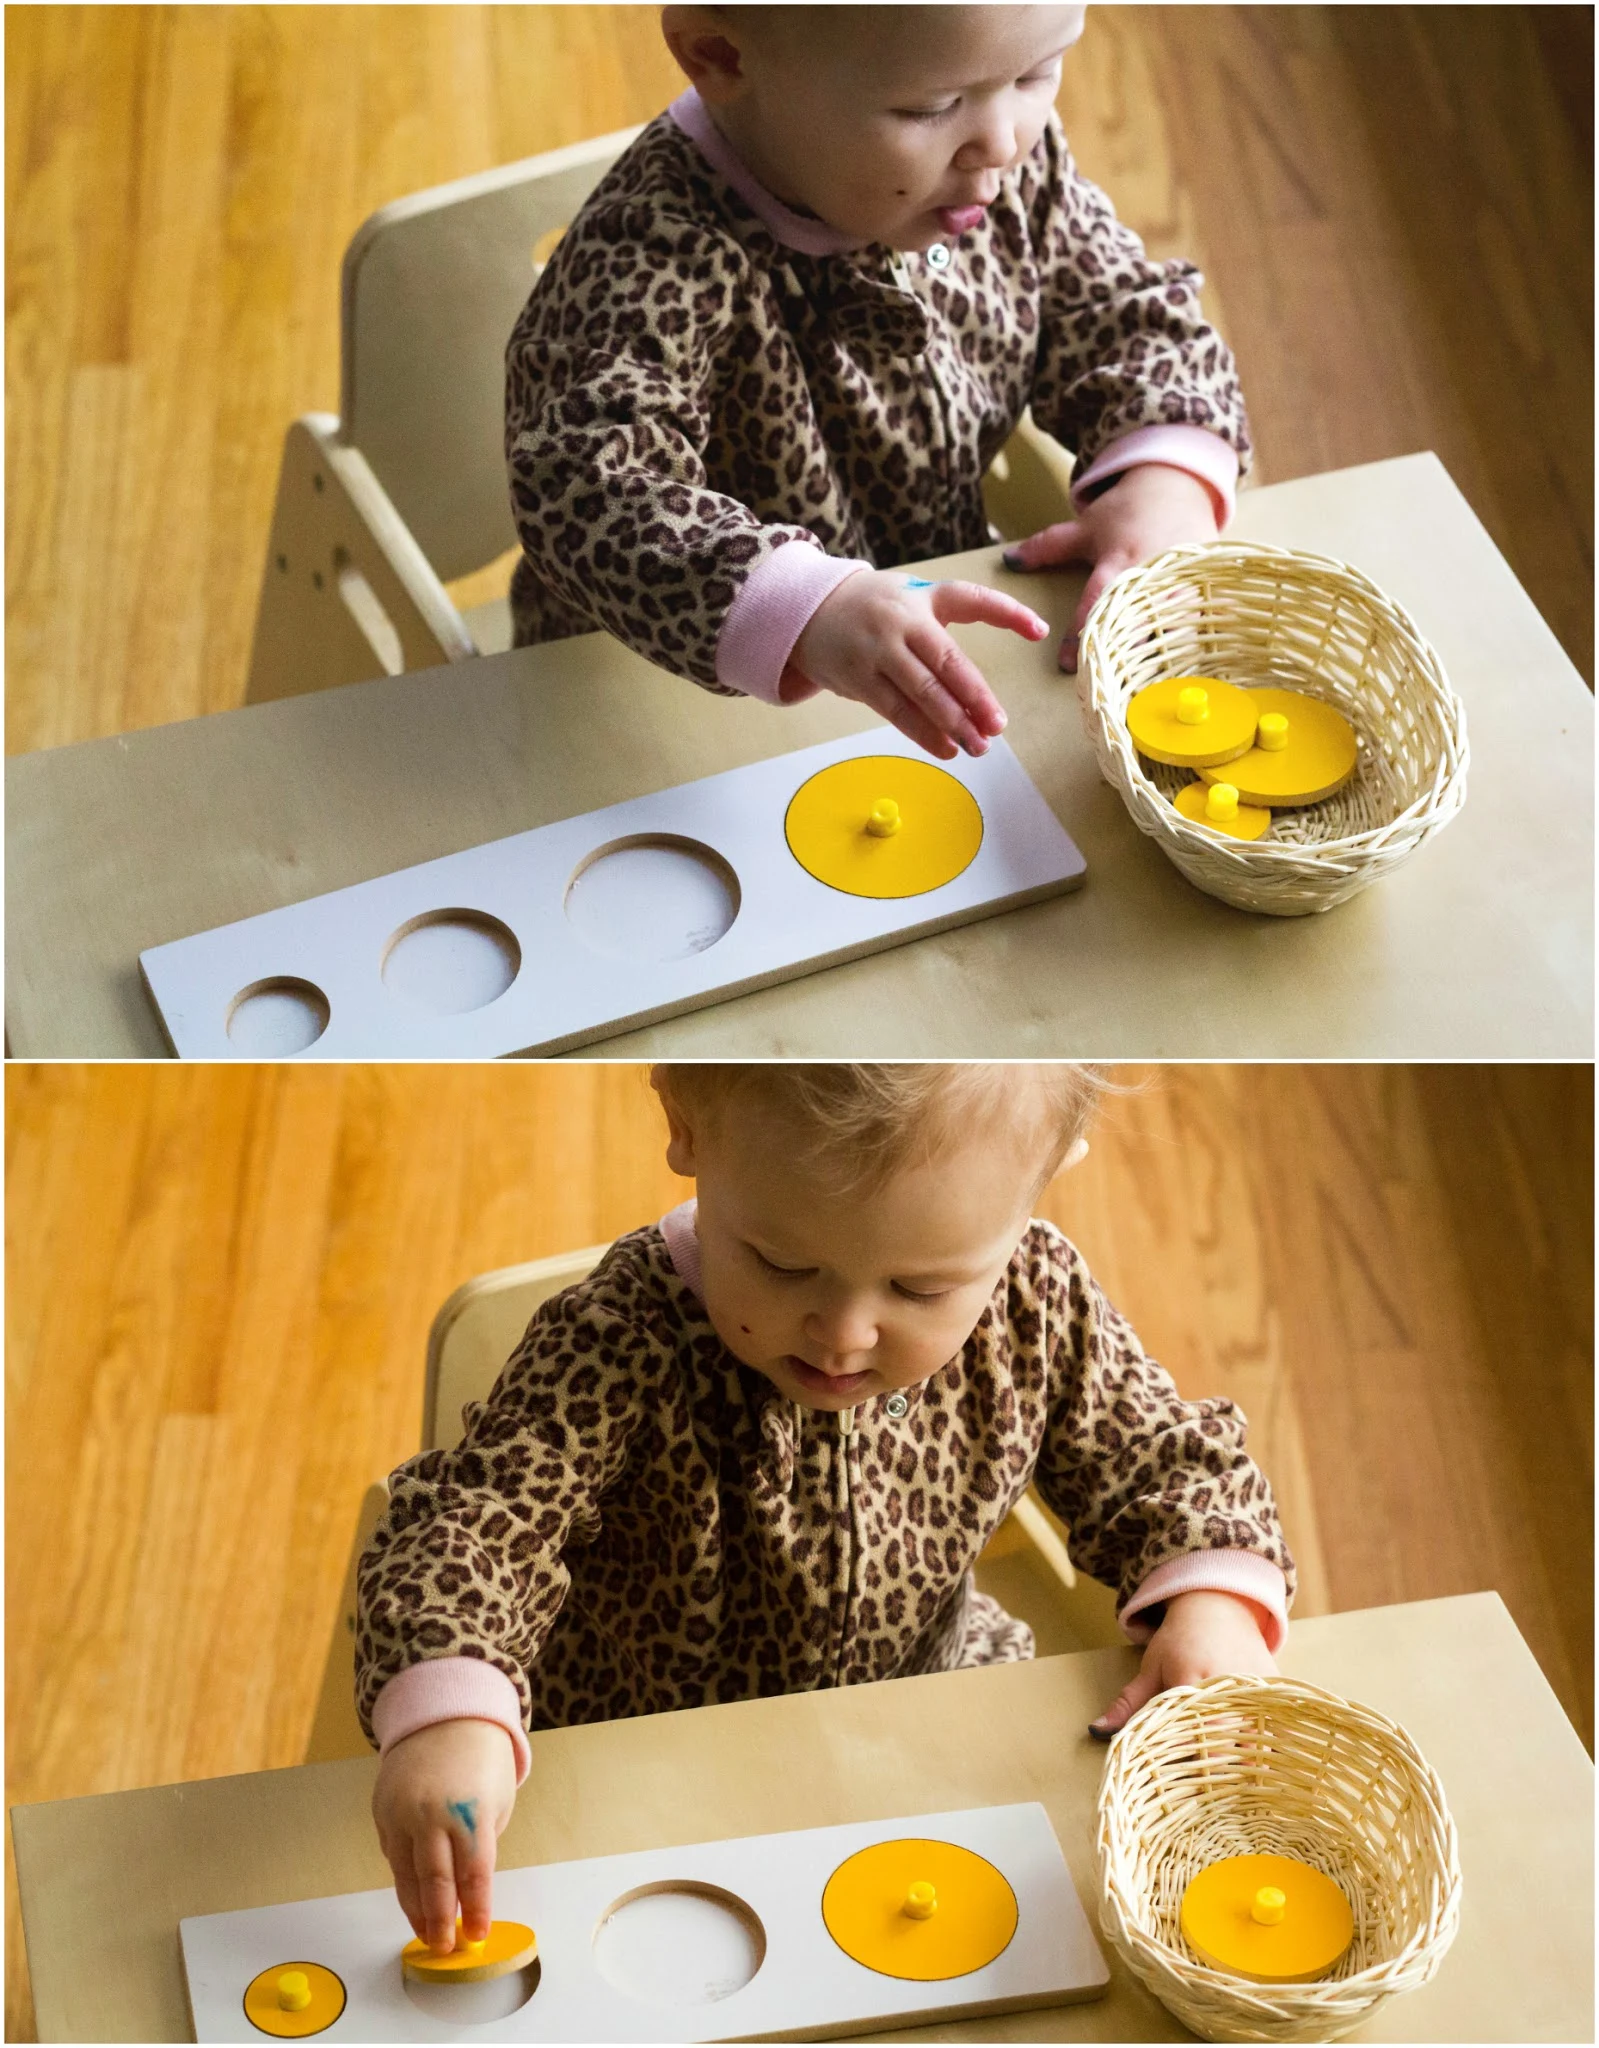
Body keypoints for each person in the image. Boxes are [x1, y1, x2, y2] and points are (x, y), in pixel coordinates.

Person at [358, 1064, 1290, 1952]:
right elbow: (474, 1527)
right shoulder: (615, 1340)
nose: (843, 1335)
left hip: (924, 1712)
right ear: (684, 1122)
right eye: (779, 1264)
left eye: (919, 1289)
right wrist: (451, 1713)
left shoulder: (1036, 1301)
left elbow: (1162, 1460)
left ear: (1048, 1173)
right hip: (635, 1749)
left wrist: (1213, 1604)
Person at [504, 4, 1247, 761]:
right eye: (932, 107)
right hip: (661, 695)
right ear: (721, 55)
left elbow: (1125, 314)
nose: (1001, 140)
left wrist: (1164, 482)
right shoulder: (651, 257)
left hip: (917, 652)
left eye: (1036, 72)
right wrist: (803, 606)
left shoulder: (1001, 168)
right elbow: (585, 486)